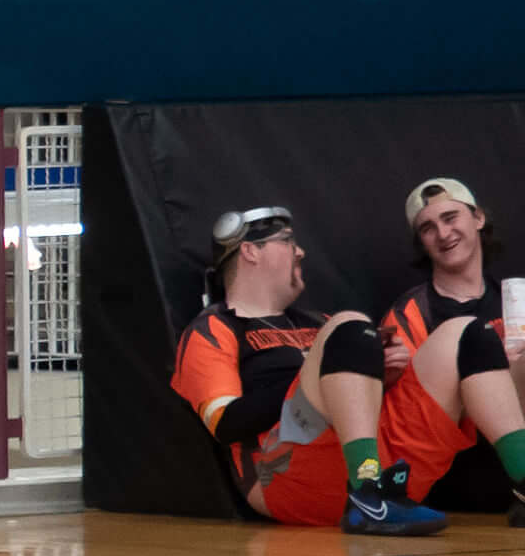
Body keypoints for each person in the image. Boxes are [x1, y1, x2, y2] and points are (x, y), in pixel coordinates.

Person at [173, 205, 462, 534]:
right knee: (350, 325)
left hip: (363, 456)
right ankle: (367, 494)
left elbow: (352, 401)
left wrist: (382, 373)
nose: (301, 251)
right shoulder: (214, 327)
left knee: (465, 335)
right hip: (283, 476)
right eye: (287, 241)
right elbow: (226, 424)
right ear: (250, 251)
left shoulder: (318, 322)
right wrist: (322, 368)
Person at [375, 178, 525, 526]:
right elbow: (408, 417)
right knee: (491, 354)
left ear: (478, 218)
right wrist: (491, 376)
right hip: (459, 470)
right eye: (428, 228)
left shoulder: (517, 299)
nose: (443, 233)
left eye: (451, 217)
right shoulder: (411, 312)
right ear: (421, 242)